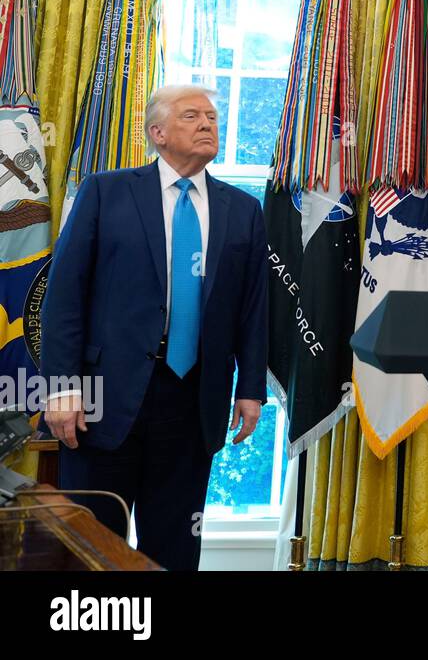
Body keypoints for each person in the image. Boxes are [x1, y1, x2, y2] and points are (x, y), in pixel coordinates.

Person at [41, 85, 270, 571]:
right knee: (91, 548)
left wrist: (250, 389)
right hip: (103, 401)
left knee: (175, 548)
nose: (208, 124)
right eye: (192, 116)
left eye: (211, 116)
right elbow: (63, 298)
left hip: (192, 402)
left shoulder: (243, 210)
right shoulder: (107, 191)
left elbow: (253, 308)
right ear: (158, 133)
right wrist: (61, 387)